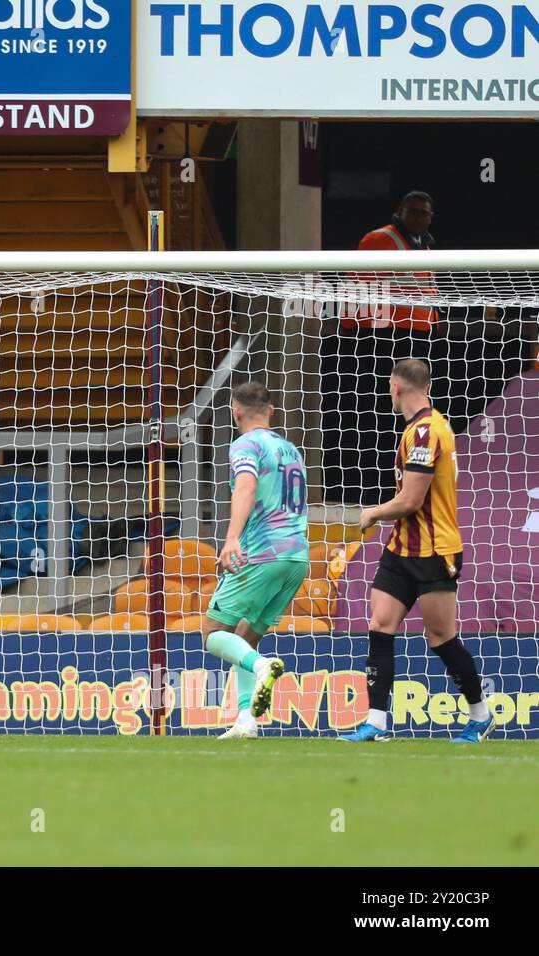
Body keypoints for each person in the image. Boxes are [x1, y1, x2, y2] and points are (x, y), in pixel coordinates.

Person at [341, 359, 492, 744]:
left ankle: (480, 713)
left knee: (441, 636)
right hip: (401, 548)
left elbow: (410, 500)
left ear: (396, 387)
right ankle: (375, 721)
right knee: (380, 624)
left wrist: (373, 512)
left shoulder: (427, 431)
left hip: (435, 550)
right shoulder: (418, 429)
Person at [199, 382, 305, 739]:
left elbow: (245, 486)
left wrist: (231, 540)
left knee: (214, 633)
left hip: (262, 552)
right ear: (271, 410)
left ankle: (262, 668)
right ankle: (246, 719)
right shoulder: (290, 450)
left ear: (236, 411)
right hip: (297, 557)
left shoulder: (245, 444)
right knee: (246, 637)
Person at [323, 190, 440, 507]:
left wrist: (434, 323)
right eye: (413, 211)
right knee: (383, 414)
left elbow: (426, 286)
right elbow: (355, 285)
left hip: (418, 336)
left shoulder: (425, 244)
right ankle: (379, 490)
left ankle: (412, 486)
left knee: (415, 414)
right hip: (385, 338)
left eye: (424, 213)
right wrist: (349, 329)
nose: (418, 218)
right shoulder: (377, 240)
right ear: (400, 211)